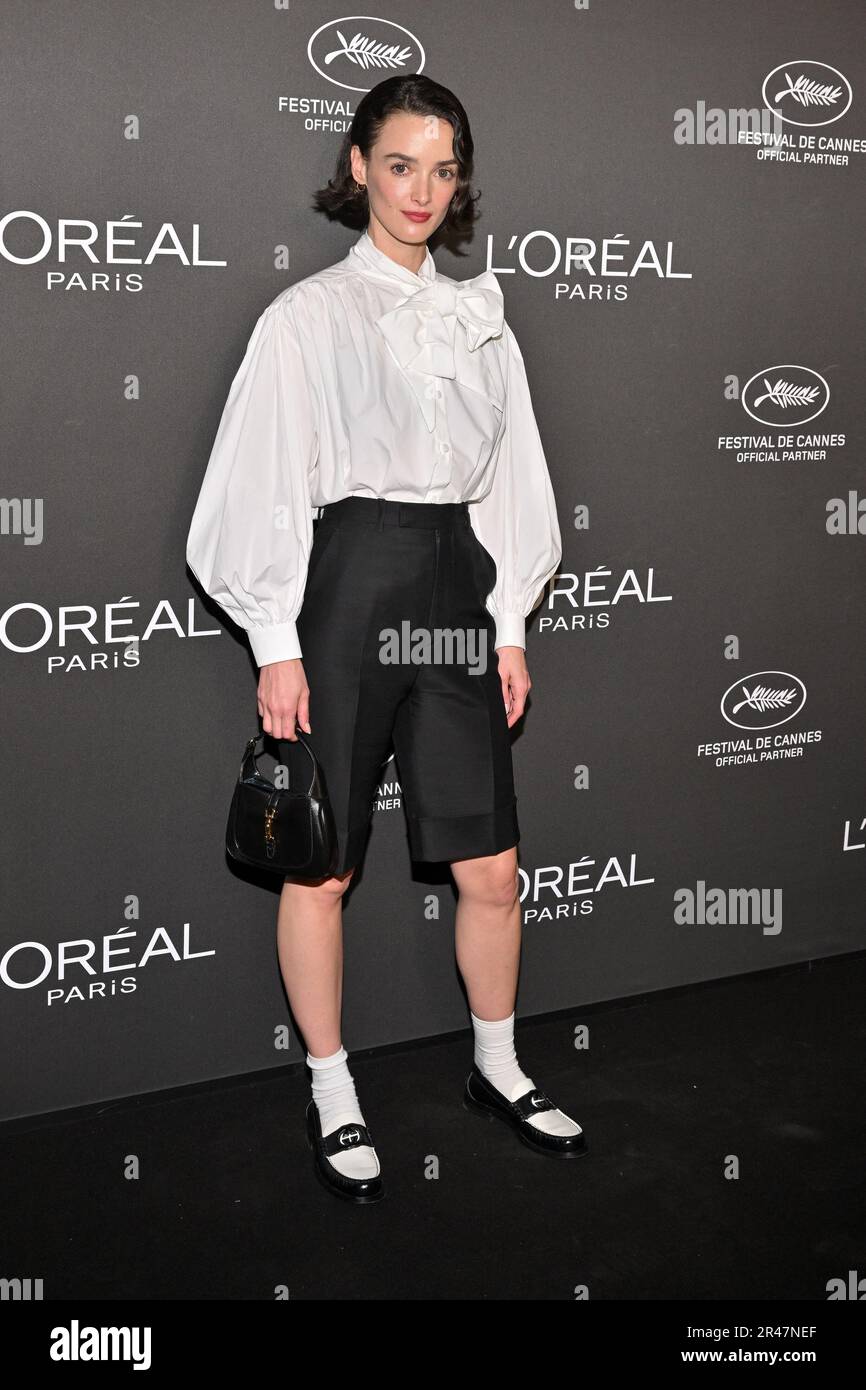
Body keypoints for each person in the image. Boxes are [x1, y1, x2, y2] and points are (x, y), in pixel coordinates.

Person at [186, 74, 586, 1204]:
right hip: (345, 589)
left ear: (460, 185)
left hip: (457, 588)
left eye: (443, 168)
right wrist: (273, 637)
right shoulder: (306, 319)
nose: (421, 189)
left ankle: (495, 1067)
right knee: (323, 861)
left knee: (492, 865)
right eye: (399, 163)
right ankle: (329, 1084)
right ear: (357, 166)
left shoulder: (479, 319)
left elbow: (513, 483)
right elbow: (255, 480)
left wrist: (507, 622)